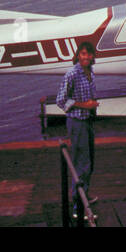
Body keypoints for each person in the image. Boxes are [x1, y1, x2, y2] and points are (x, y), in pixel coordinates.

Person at [56, 41, 99, 214]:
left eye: (89, 54)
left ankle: (84, 194)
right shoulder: (72, 74)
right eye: (83, 54)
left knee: (90, 162)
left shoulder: (90, 72)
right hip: (77, 123)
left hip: (87, 121)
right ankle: (77, 205)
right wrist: (85, 105)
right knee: (82, 163)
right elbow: (60, 101)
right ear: (77, 55)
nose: (86, 57)